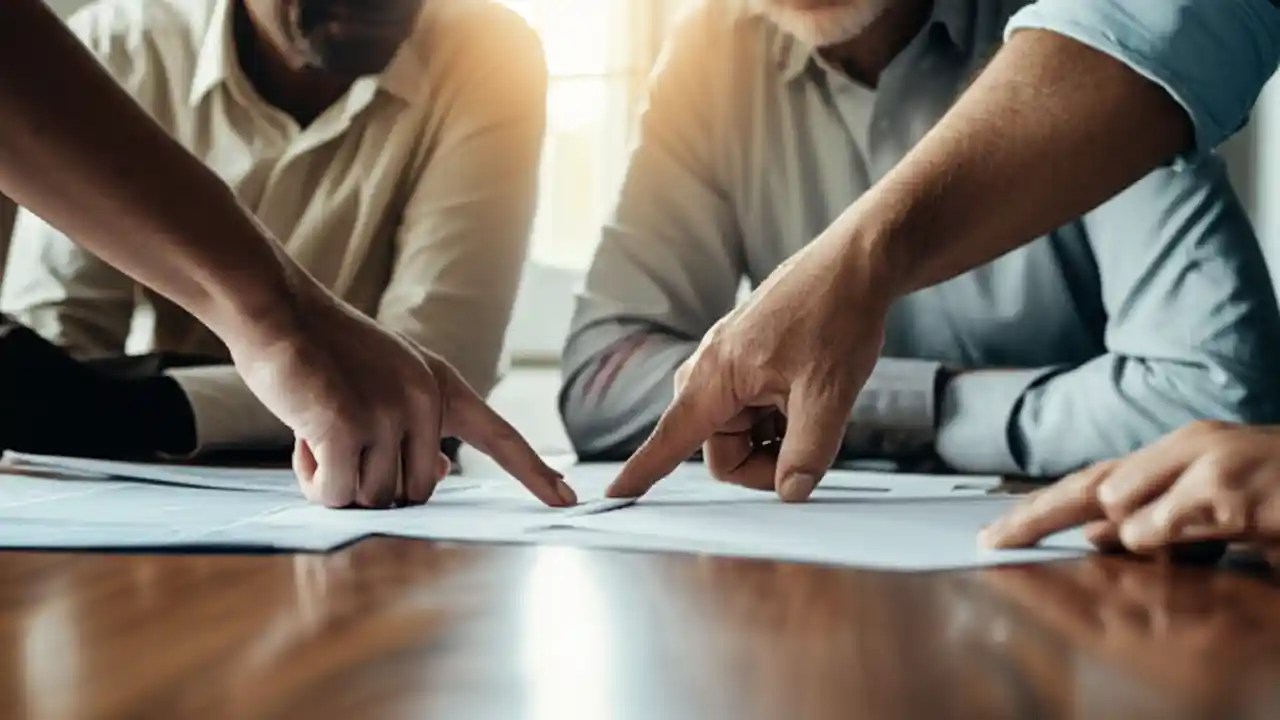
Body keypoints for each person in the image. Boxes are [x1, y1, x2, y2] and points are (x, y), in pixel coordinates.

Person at [606, 0, 1280, 557]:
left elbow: (1211, 395)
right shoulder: (707, 56)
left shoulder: (1085, 56)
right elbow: (607, 378)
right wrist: (898, 398)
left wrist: (888, 391)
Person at [0, 0, 575, 509]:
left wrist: (140, 405)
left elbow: (428, 386)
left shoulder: (487, 55)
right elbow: (52, 363)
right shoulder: (119, 45)